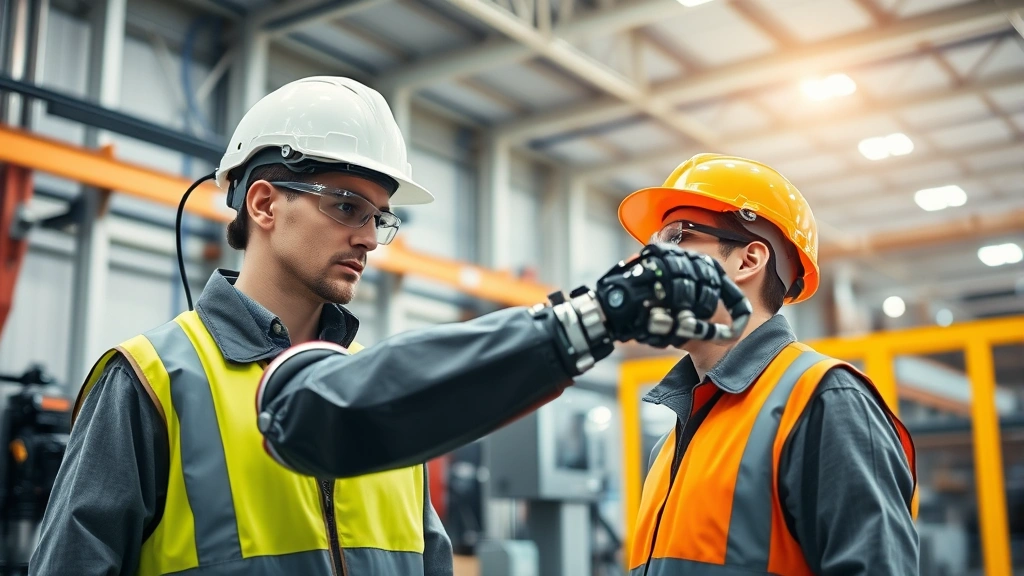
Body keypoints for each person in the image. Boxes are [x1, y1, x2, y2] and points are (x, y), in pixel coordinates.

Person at [29, 77, 746, 576]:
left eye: (381, 216)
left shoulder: (389, 386)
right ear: (264, 203)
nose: (370, 236)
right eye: (346, 206)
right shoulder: (153, 380)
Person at [618, 153, 920, 576]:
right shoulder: (670, 444)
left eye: (675, 238)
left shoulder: (824, 401)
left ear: (748, 260)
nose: (649, 264)